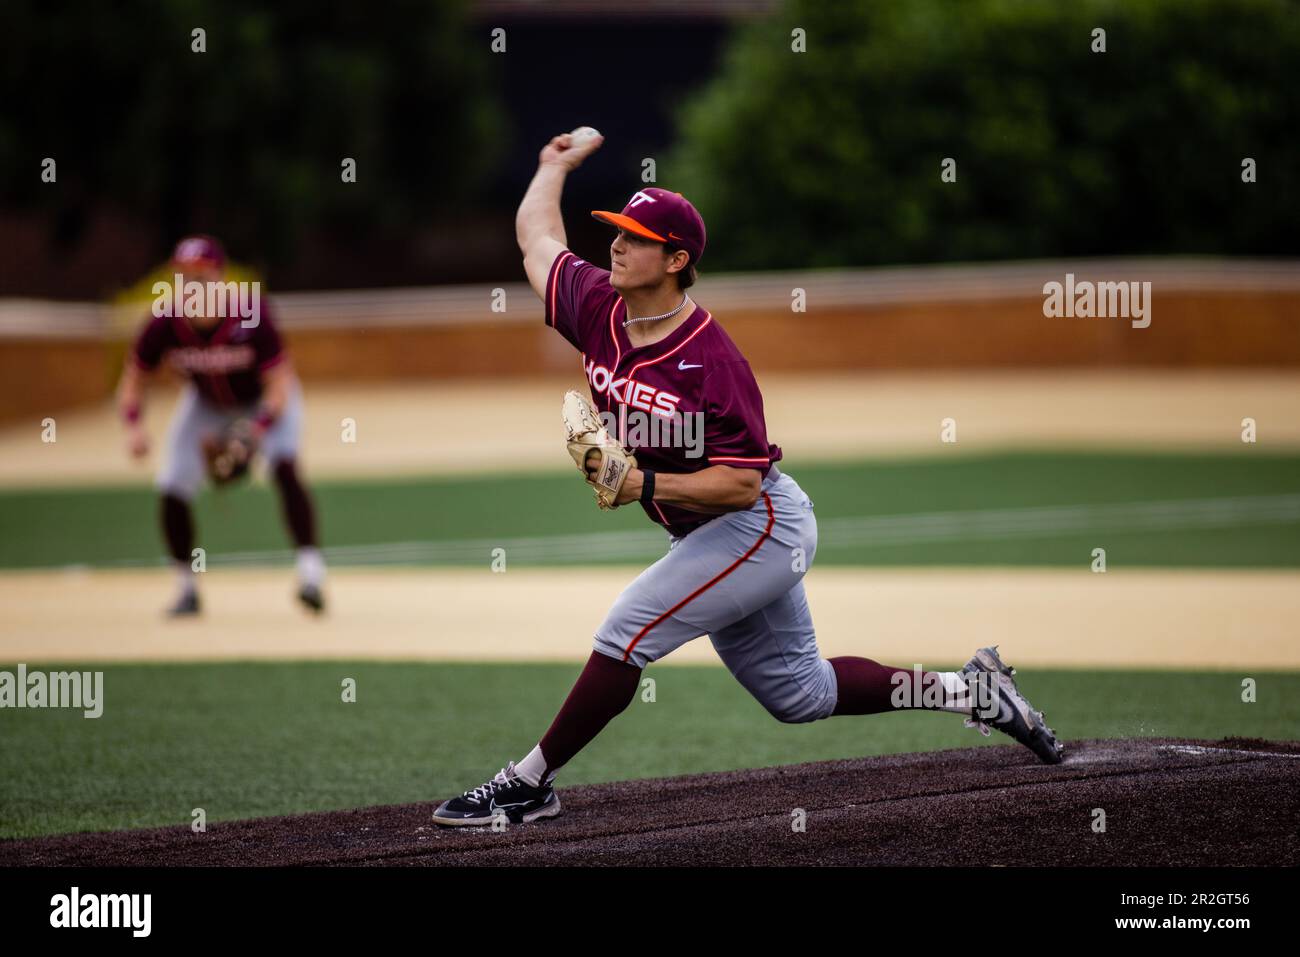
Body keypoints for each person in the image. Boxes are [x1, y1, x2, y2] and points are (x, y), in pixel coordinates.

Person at [432, 132, 1062, 827]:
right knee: (801, 694)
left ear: (676, 260)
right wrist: (553, 167)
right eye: (616, 232)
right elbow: (536, 240)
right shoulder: (597, 308)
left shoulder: (710, 358)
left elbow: (738, 483)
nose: (616, 245)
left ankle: (527, 782)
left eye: (637, 239)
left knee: (626, 629)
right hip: (712, 531)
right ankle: (970, 691)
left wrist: (639, 484)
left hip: (759, 524)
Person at [116, 235, 326, 616]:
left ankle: (310, 573)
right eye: (184, 276)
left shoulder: (251, 312)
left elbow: (279, 383)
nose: (193, 285)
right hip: (206, 405)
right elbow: (133, 377)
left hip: (262, 401)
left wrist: (256, 429)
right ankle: (186, 587)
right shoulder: (165, 322)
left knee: (284, 465)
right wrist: (134, 426)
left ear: (220, 276)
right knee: (172, 485)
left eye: (202, 275)